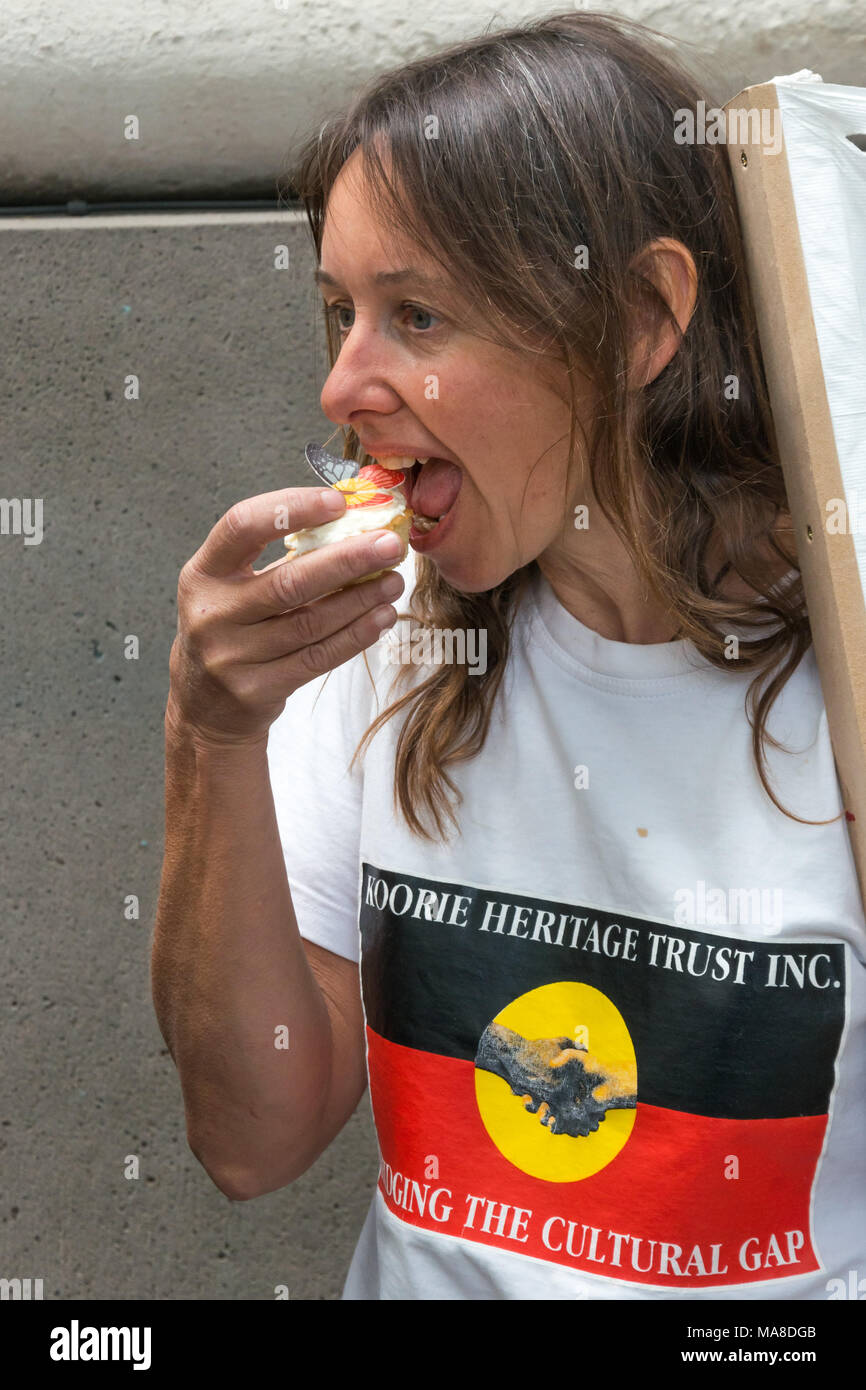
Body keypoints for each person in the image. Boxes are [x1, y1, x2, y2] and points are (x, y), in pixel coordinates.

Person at [151, 11, 866, 1300]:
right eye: (341, 313)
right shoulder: (379, 633)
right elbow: (252, 1140)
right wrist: (212, 734)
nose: (342, 386)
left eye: (418, 315)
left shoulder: (851, 676)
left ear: (642, 319)